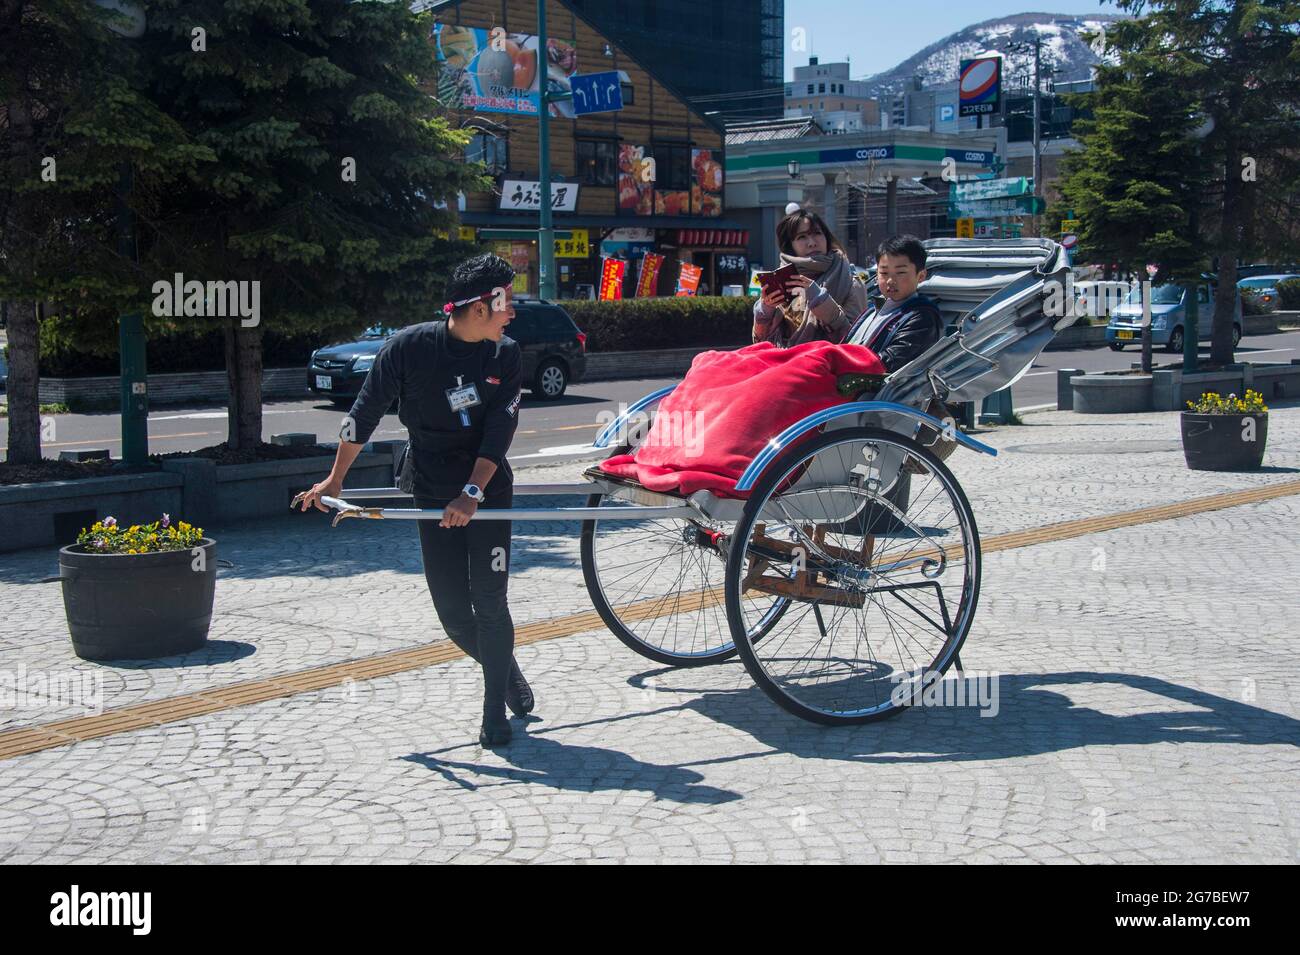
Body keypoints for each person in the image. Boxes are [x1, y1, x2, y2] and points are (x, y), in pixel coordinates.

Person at [295, 253, 531, 748]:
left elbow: (499, 430)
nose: (512, 312)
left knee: (490, 601)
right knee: (452, 614)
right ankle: (503, 669)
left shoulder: (504, 354)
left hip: (487, 489)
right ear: (478, 306)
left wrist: (472, 492)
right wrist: (335, 480)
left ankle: (494, 714)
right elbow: (362, 415)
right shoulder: (407, 349)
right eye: (505, 301)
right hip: (429, 483)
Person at [752, 208, 870, 347]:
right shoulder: (780, 281)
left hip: (828, 365)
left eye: (817, 233)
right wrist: (765, 312)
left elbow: (855, 341)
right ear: (790, 245)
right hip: (785, 364)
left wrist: (821, 301)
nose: (812, 242)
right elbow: (760, 343)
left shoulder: (849, 281)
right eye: (802, 237)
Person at [847, 234, 945, 372]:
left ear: (921, 276)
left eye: (900, 272)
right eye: (884, 273)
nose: (890, 281)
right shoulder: (874, 309)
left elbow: (889, 362)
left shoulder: (922, 317)